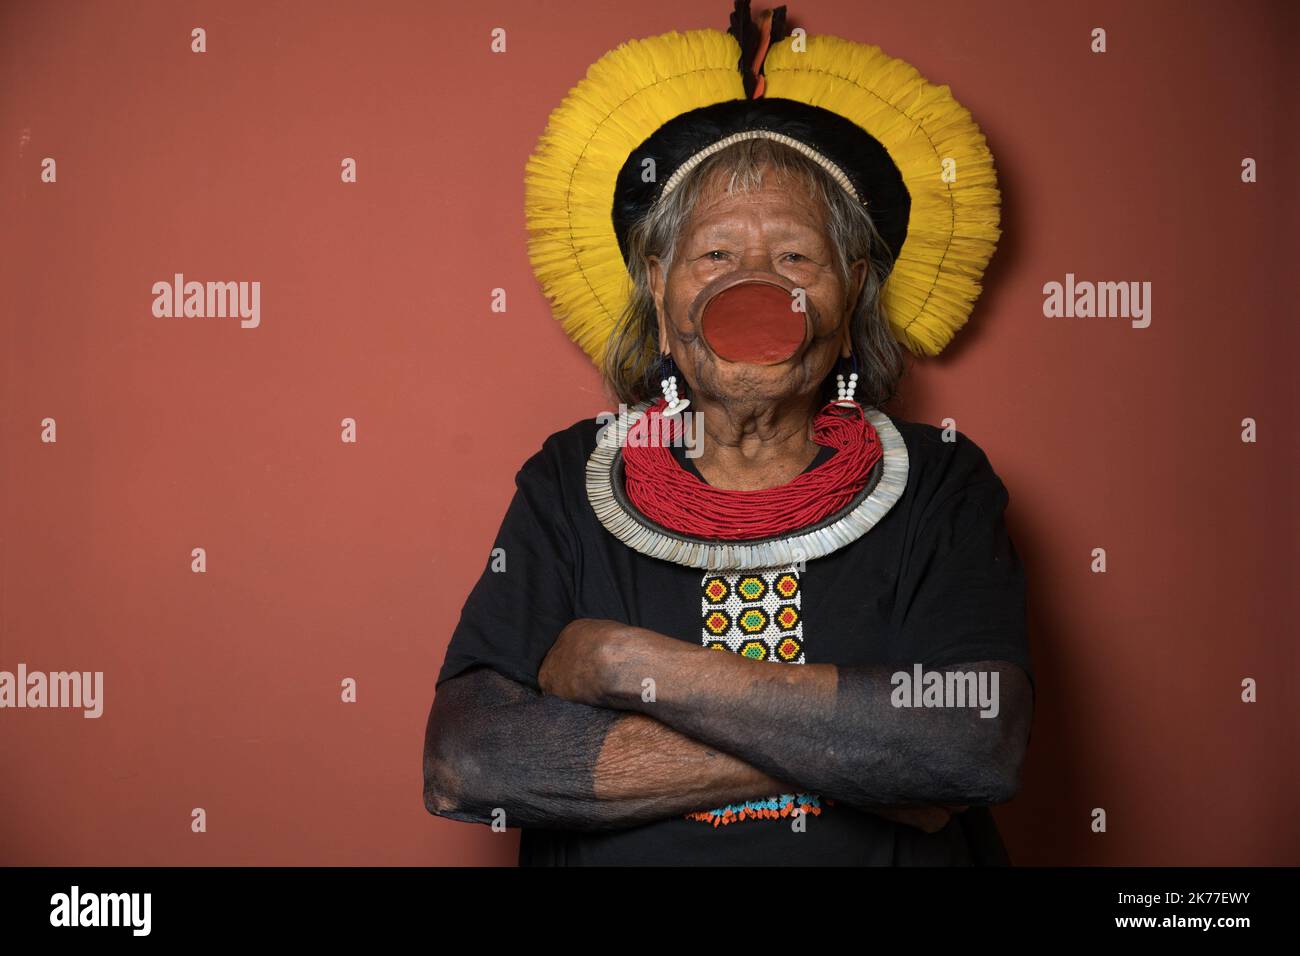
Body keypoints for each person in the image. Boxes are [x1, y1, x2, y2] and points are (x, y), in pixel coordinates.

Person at [423, 2, 1033, 866]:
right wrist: (867, 757)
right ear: (662, 297)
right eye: (715, 258)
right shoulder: (570, 477)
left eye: (795, 258)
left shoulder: (941, 479)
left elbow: (971, 741)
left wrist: (622, 662)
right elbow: (469, 759)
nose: (756, 287)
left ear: (851, 295)